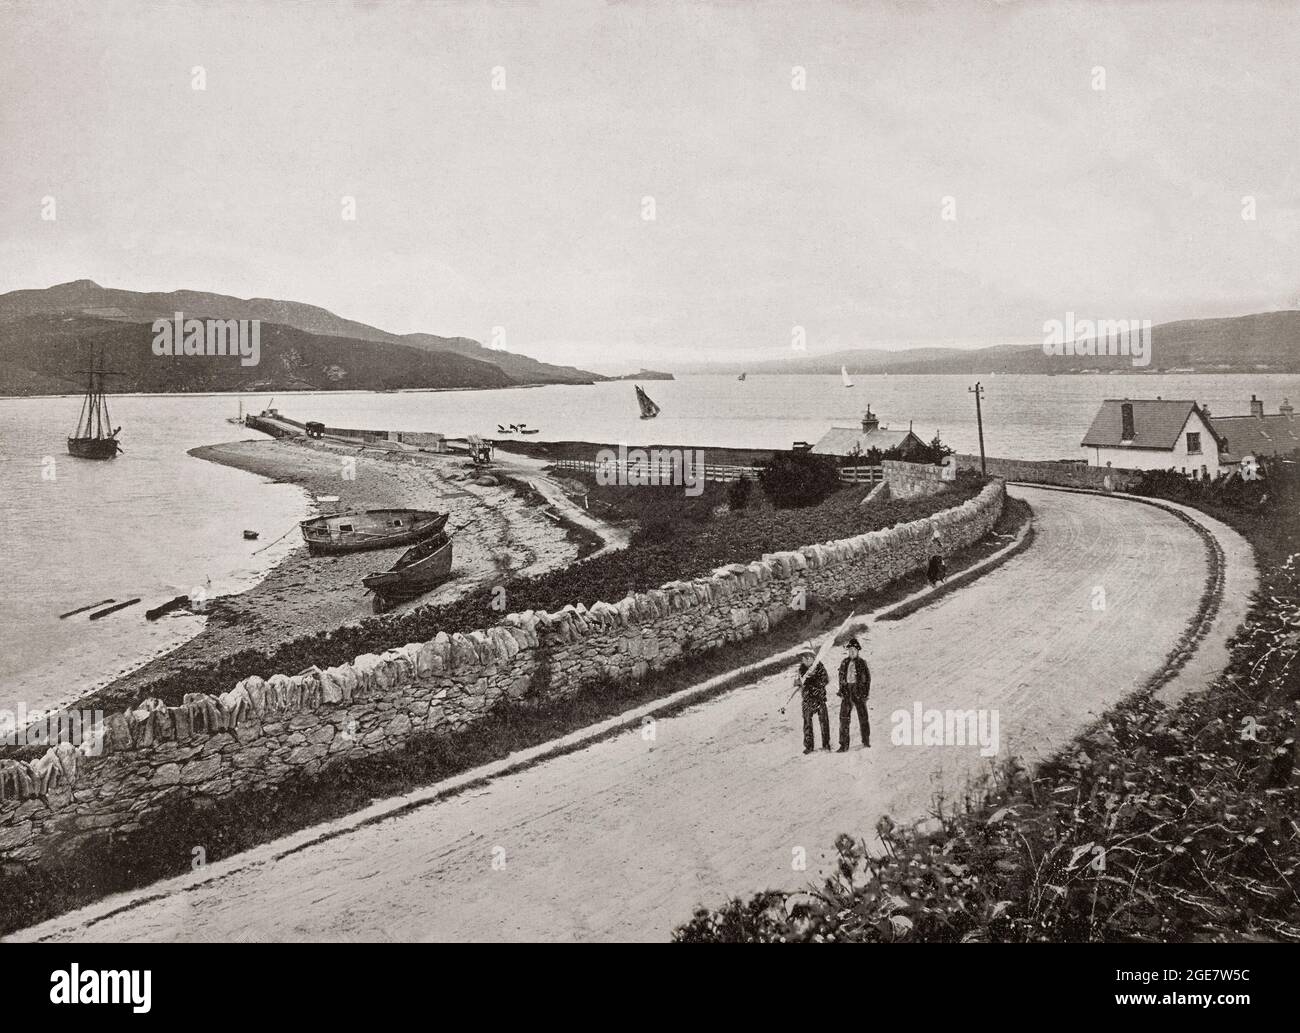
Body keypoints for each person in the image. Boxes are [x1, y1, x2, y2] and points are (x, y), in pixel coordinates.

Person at [836, 637, 871, 751]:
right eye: (850, 650)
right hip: (847, 692)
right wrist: (842, 690)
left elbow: (867, 679)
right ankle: (843, 745)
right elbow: (841, 677)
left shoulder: (862, 663)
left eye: (854, 650)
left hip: (858, 691)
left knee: (863, 717)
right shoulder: (844, 662)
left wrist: (865, 693)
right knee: (844, 718)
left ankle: (866, 741)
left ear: (858, 651)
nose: (851, 652)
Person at [796, 646, 831, 754]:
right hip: (807, 700)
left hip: (819, 698)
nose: (806, 660)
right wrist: (798, 682)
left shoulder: (819, 666)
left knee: (824, 722)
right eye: (803, 658)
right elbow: (799, 682)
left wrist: (813, 679)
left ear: (812, 657)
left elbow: (825, 680)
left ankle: (826, 743)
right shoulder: (801, 669)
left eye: (808, 657)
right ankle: (809, 746)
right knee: (807, 723)